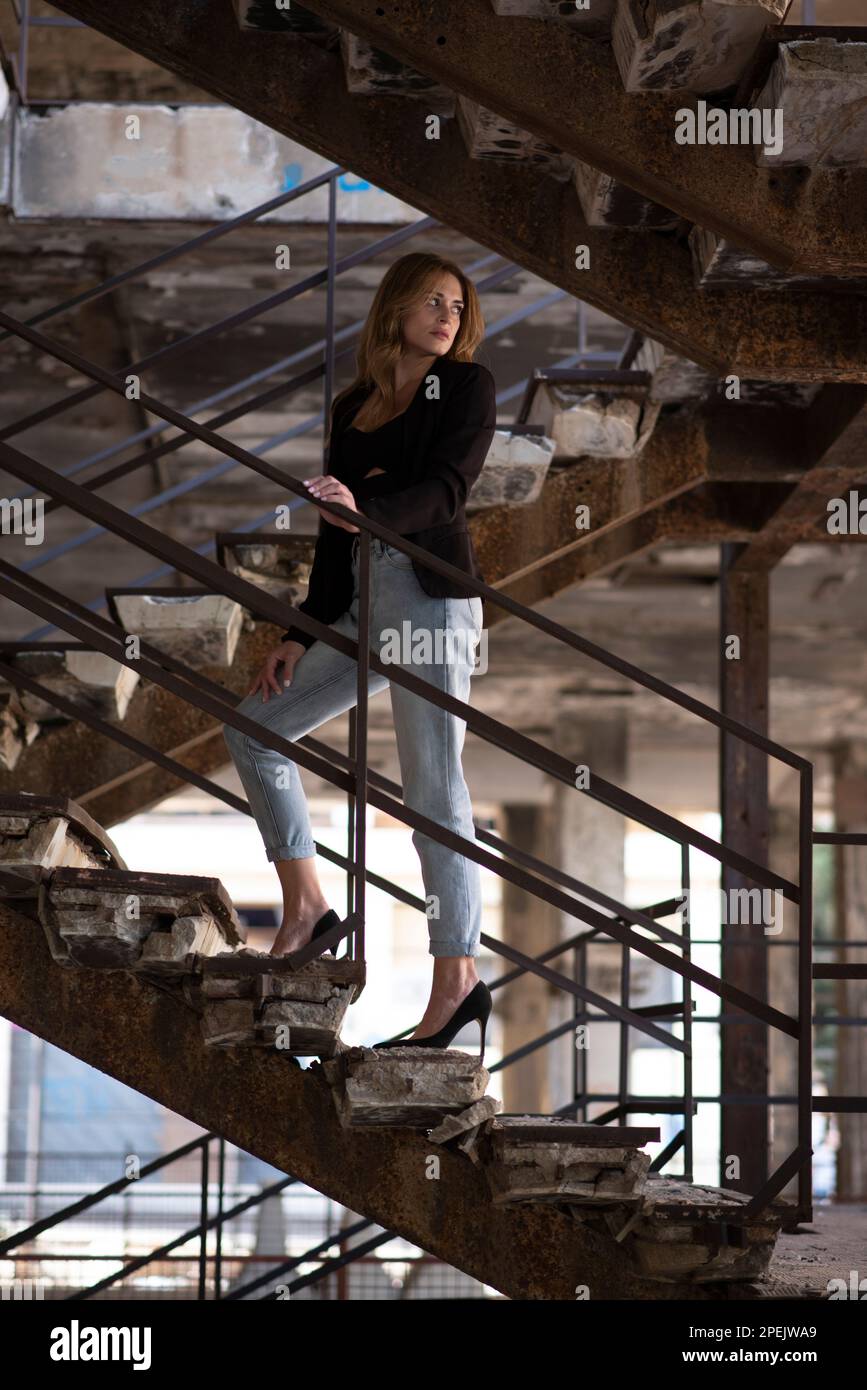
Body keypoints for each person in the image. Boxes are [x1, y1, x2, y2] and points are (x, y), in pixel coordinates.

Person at [223, 251, 496, 1060]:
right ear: (397, 308)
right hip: (356, 602)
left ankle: (456, 980)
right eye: (431, 300)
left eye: (457, 303)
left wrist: (366, 508)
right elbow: (331, 540)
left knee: (430, 790)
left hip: (426, 599)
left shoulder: (466, 386)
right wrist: (299, 630)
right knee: (253, 728)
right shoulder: (353, 406)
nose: (446, 315)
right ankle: (305, 905)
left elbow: (448, 489)